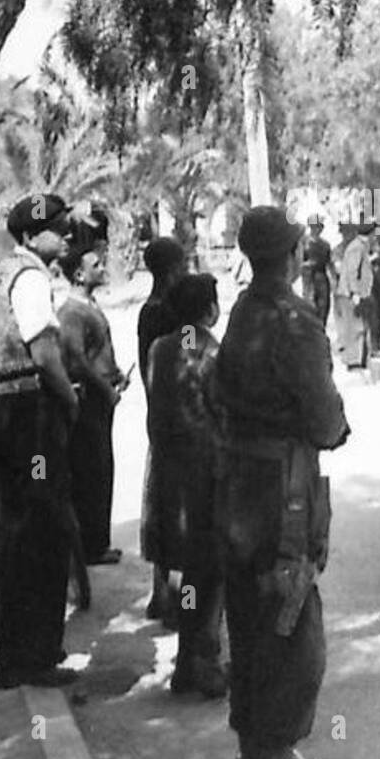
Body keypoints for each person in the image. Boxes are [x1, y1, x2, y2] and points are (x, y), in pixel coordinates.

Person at [209, 206, 349, 759]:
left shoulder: (242, 311)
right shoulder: (295, 320)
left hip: (238, 484)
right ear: (292, 256)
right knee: (293, 635)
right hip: (284, 490)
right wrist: (336, 427)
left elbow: (218, 392)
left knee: (251, 624)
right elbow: (324, 419)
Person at [0, 193, 79, 689]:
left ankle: (17, 649)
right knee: (44, 531)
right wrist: (68, 399)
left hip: (1, 408)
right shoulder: (33, 277)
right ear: (31, 234)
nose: (66, 234)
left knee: (17, 528)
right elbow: (43, 350)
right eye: (58, 227)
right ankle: (33, 654)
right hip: (32, 418)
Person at [146, 273, 226, 698]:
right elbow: (223, 408)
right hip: (205, 475)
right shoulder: (209, 351)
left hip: (167, 473)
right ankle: (202, 659)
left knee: (186, 572)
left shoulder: (160, 348)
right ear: (209, 309)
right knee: (207, 576)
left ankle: (187, 657)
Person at [58, 244, 128, 566]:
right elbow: (76, 359)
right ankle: (90, 546)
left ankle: (97, 541)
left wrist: (115, 375)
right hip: (88, 399)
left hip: (100, 395)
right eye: (95, 264)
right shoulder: (72, 312)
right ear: (78, 273)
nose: (102, 267)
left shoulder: (89, 305)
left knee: (101, 469)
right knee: (91, 471)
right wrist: (106, 388)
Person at [138, 236, 186, 622]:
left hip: (157, 412)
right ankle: (180, 599)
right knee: (182, 512)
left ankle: (159, 590)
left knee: (159, 502)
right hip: (179, 419)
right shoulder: (172, 314)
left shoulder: (145, 311)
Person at [336, 220, 374, 369]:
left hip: (355, 293)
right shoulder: (357, 248)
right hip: (350, 294)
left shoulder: (360, 246)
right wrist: (355, 292)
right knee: (354, 327)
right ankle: (353, 360)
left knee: (360, 327)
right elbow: (352, 271)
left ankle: (359, 358)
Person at [300, 216, 334, 328]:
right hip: (308, 278)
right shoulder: (304, 243)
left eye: (319, 227)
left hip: (321, 276)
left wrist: (335, 279)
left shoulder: (325, 245)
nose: (317, 229)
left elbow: (330, 263)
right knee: (310, 305)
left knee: (323, 306)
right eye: (314, 227)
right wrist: (307, 264)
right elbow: (298, 261)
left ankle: (321, 329)